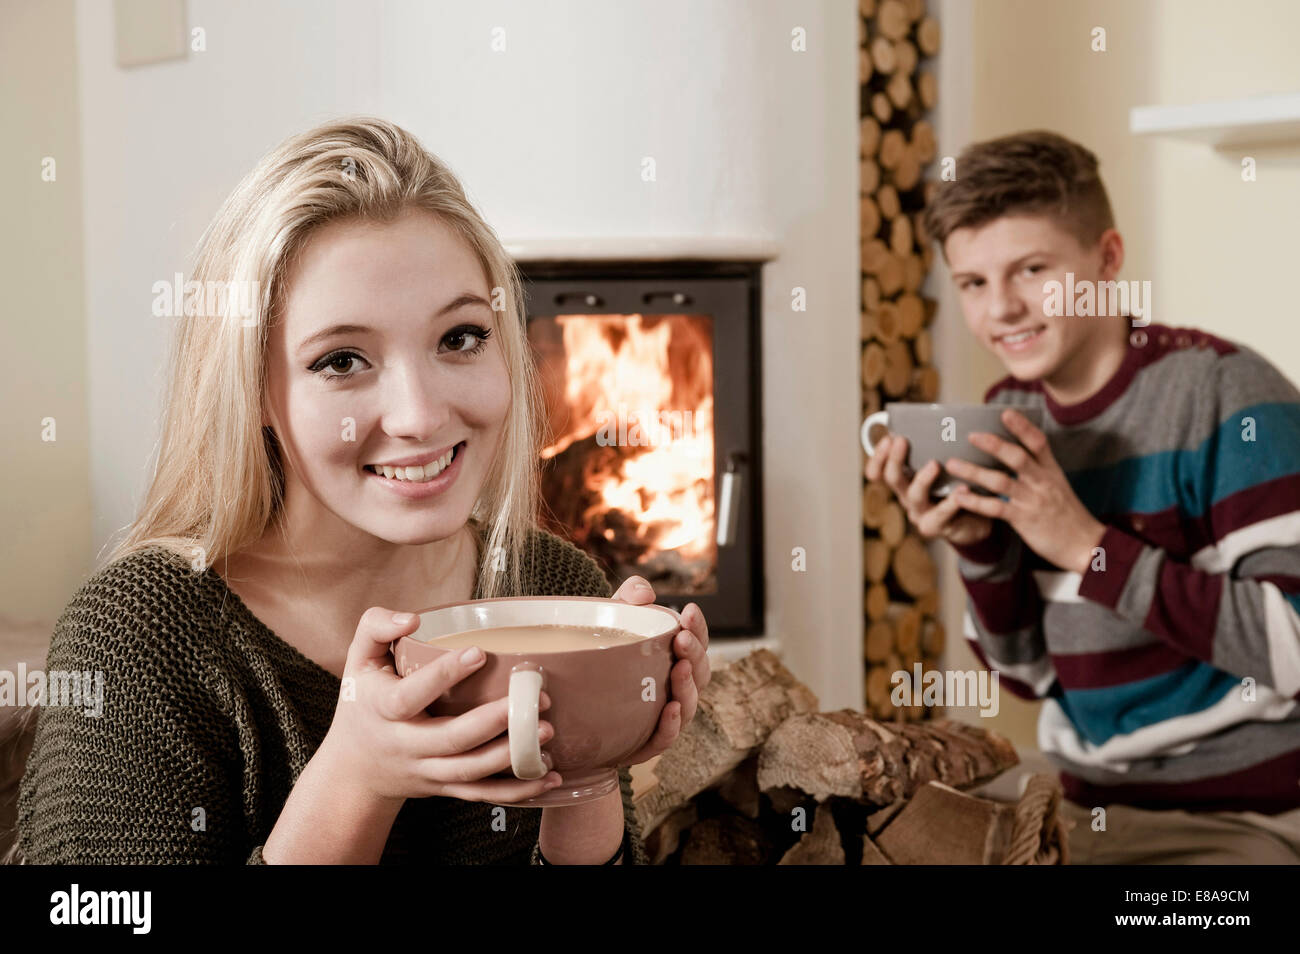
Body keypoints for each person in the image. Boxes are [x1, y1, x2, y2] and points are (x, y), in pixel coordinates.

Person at [14, 118, 711, 865]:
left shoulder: (552, 585)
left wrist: (593, 757)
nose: (420, 415)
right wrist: (355, 780)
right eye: (342, 359)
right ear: (250, 389)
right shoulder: (139, 636)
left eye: (461, 338)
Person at [867, 130, 1300, 863]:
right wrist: (980, 550)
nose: (1000, 309)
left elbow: (1290, 647)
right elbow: (1030, 675)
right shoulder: (1007, 408)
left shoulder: (1229, 395)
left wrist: (1085, 546)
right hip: (1075, 801)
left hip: (1239, 818)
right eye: (972, 283)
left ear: (1107, 259)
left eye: (1032, 270)